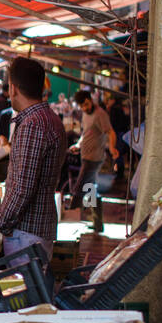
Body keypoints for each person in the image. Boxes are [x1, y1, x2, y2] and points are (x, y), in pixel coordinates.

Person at [0, 57, 65, 270]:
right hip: (35, 230)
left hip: (26, 232)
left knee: (24, 297)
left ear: (13, 88)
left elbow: (23, 188)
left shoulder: (33, 125)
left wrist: (2, 222)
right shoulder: (47, 118)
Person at [68, 89, 117, 228]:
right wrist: (78, 144)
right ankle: (97, 223)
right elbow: (86, 132)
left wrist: (112, 148)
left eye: (87, 104)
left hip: (94, 158)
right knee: (91, 188)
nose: (85, 108)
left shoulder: (100, 114)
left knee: (79, 188)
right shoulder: (85, 114)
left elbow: (110, 132)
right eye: (82, 106)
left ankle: (70, 219)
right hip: (85, 155)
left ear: (91, 99)